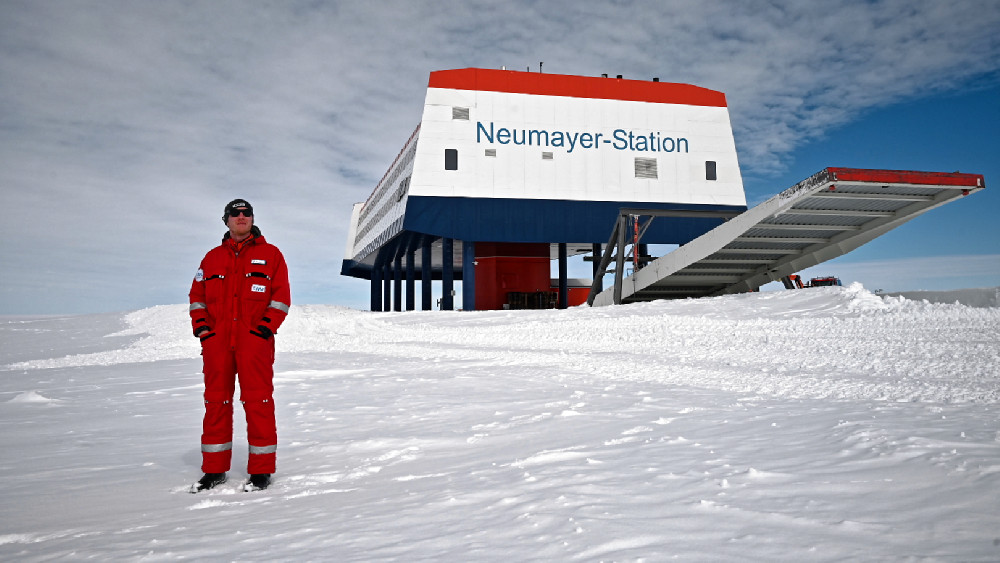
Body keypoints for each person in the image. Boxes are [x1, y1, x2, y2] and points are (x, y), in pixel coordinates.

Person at [188, 199, 290, 492]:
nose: (241, 217)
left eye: (247, 213)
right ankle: (214, 471)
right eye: (236, 213)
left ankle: (261, 471)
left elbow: (281, 298)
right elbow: (197, 297)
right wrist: (204, 330)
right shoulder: (210, 259)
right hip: (217, 344)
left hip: (254, 343)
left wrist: (263, 330)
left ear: (252, 219)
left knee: (258, 402)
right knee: (216, 403)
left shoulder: (272, 255)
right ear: (227, 220)